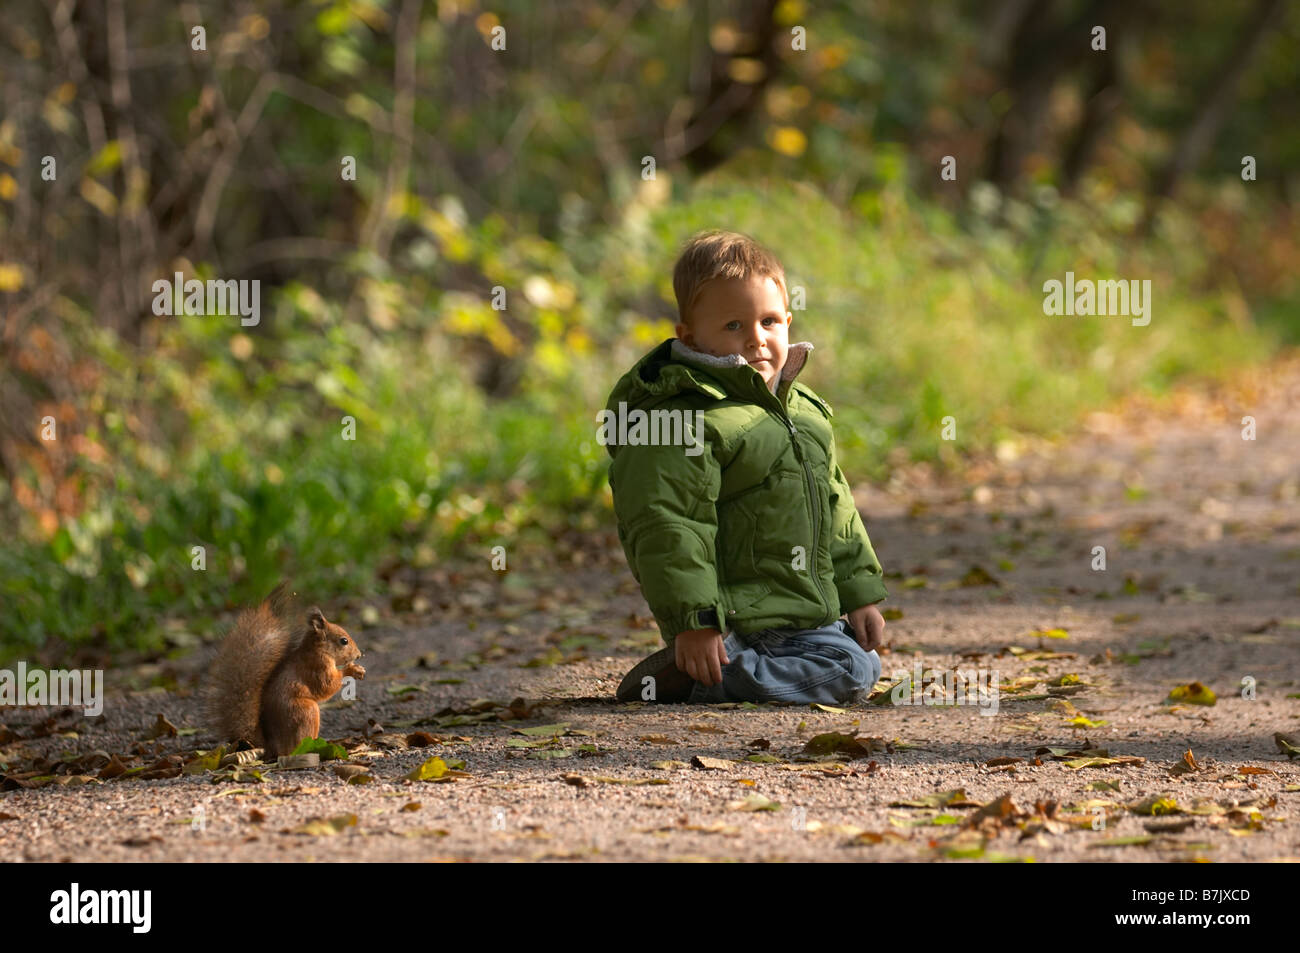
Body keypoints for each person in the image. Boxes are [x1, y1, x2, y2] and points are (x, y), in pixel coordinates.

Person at [603, 229, 889, 705]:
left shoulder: (802, 410)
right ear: (689, 336)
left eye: (769, 321)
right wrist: (695, 623)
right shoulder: (683, 422)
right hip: (740, 621)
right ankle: (708, 676)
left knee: (862, 657)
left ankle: (723, 673)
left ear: (788, 322)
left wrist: (858, 594)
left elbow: (837, 508)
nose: (757, 339)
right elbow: (668, 526)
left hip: (801, 615)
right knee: (853, 669)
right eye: (733, 325)